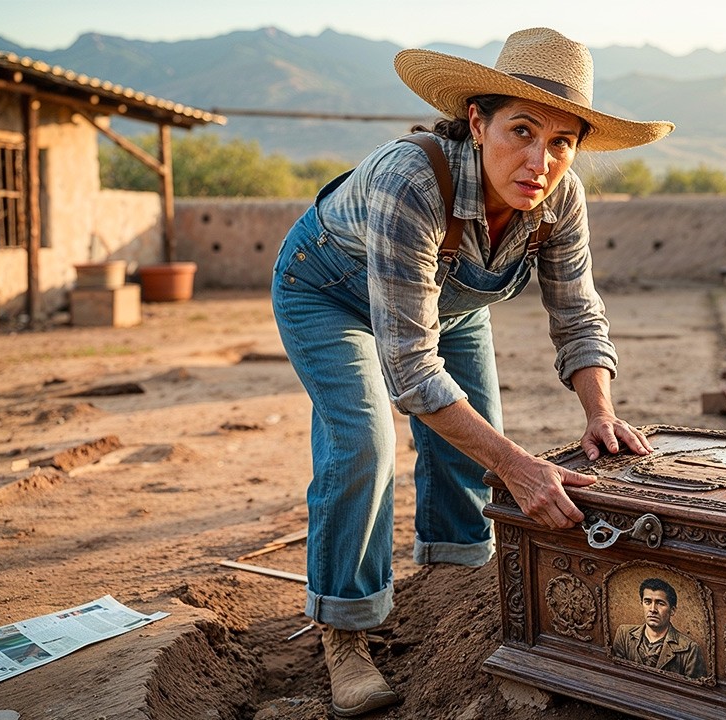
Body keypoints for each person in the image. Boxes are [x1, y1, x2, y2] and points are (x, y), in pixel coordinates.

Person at [270, 27, 674, 717]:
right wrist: (519, 468)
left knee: (474, 442)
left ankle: (451, 590)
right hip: (328, 290)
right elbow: (411, 372)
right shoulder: (411, 181)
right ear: (477, 122)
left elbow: (577, 314)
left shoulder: (560, 200)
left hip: (450, 306)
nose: (538, 160)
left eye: (561, 142)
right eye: (521, 130)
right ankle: (344, 628)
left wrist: (600, 413)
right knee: (363, 441)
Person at [611, 577, 708, 679]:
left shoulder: (690, 649)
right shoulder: (624, 634)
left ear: (673, 610)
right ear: (642, 604)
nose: (653, 609)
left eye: (660, 603)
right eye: (647, 602)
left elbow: (695, 690)